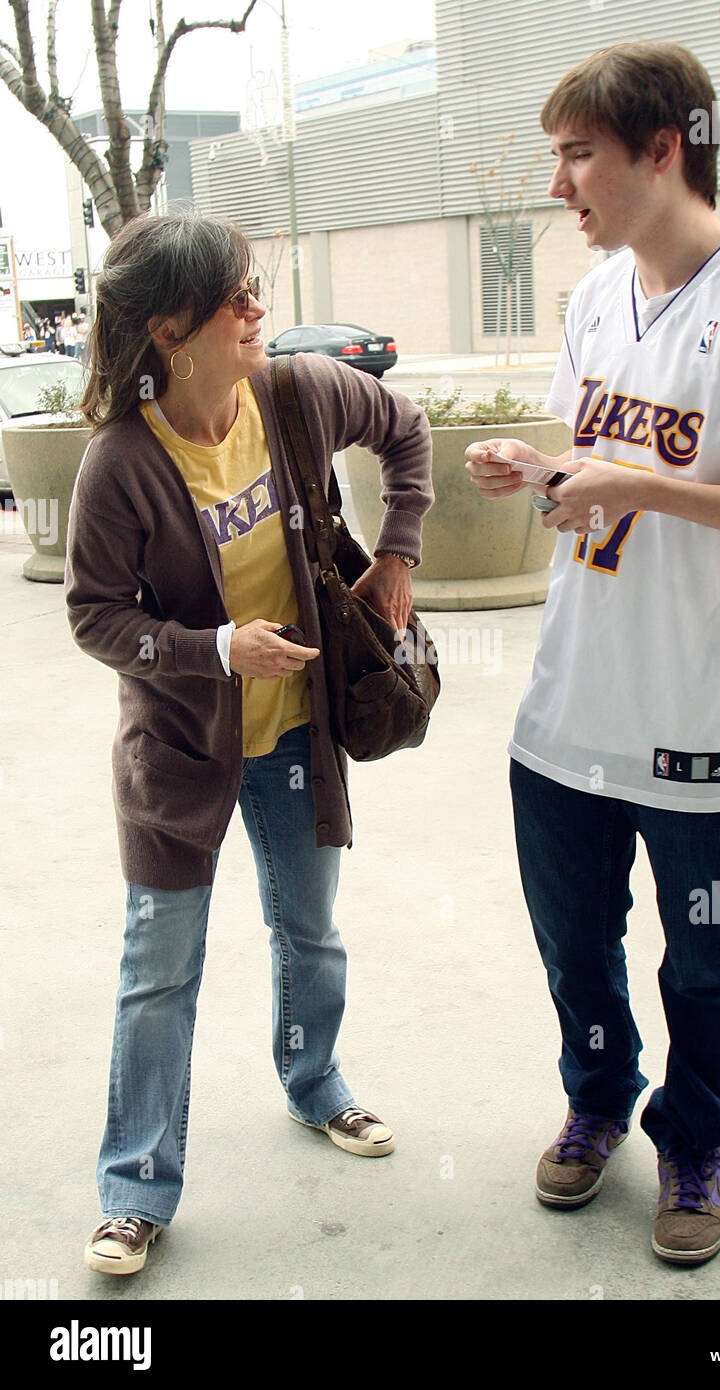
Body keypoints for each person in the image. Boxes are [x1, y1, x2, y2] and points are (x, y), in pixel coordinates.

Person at [465, 41, 720, 1265]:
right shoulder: (592, 299)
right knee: (574, 935)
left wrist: (647, 483)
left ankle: (694, 1137)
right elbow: (604, 474)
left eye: (578, 156)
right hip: (575, 689)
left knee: (705, 945)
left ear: (660, 150)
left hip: (703, 695)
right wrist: (548, 476)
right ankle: (596, 1097)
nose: (560, 185)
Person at [65, 211, 433, 1276]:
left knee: (309, 930)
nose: (256, 308)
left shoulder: (296, 392)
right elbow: (96, 616)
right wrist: (218, 648)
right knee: (158, 968)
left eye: (254, 287)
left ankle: (316, 1083)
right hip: (181, 752)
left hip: (297, 738)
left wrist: (398, 556)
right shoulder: (121, 465)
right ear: (170, 328)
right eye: (235, 296)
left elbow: (404, 430)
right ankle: (134, 1188)